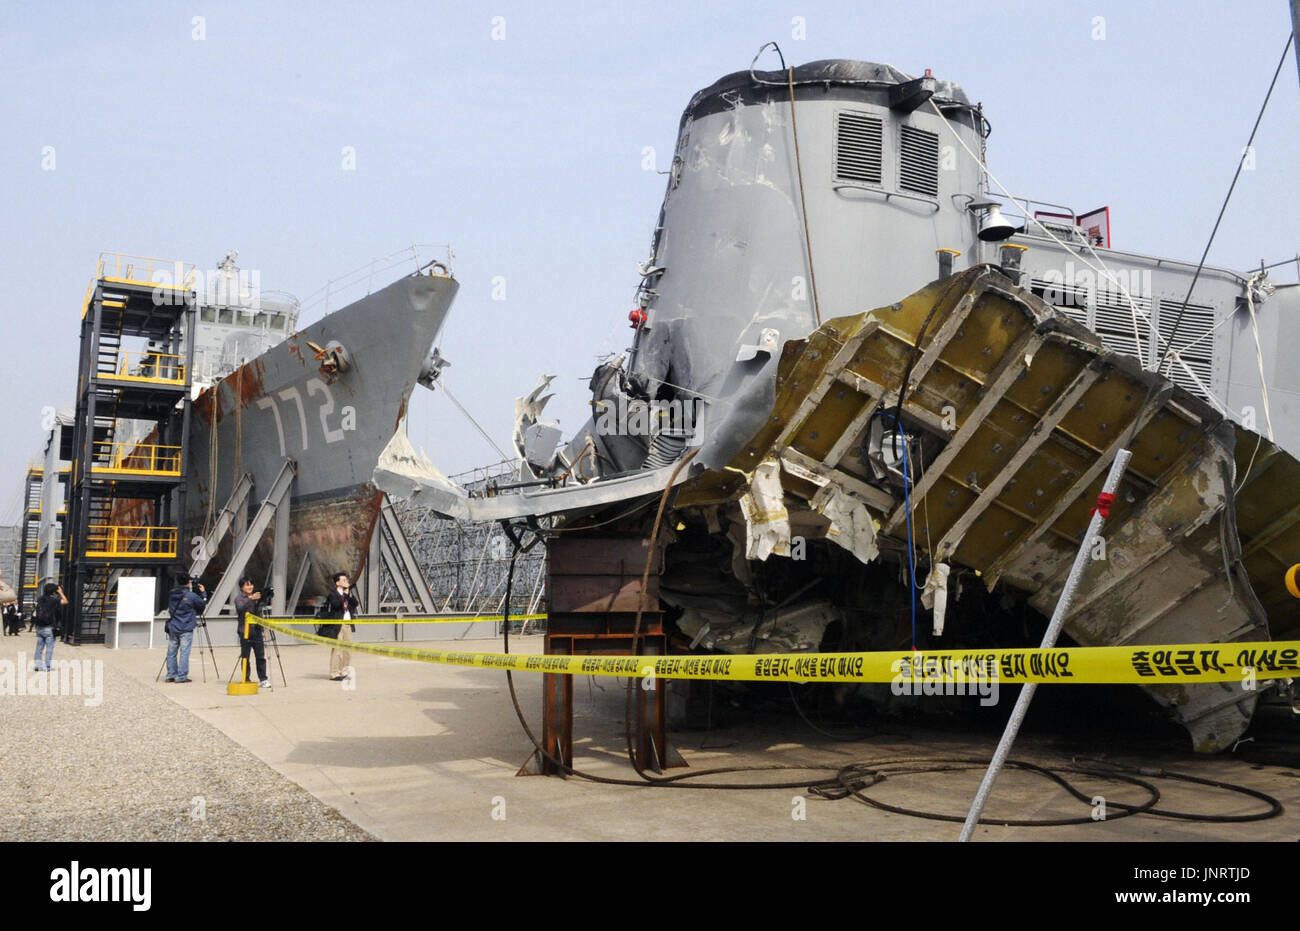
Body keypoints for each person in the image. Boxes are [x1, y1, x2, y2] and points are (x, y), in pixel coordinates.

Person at [165, 573, 206, 683]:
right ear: (188, 582)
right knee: (184, 652)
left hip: (174, 626)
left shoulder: (172, 594)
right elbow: (202, 605)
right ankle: (181, 676)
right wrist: (203, 593)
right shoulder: (191, 596)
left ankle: (171, 674)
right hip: (186, 627)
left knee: (171, 652)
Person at [319, 572, 358, 681]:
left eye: (346, 580)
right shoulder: (333, 594)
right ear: (337, 583)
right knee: (337, 650)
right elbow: (336, 604)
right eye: (344, 580)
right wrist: (344, 595)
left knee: (347, 650)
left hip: (347, 624)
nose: (346, 582)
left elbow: (355, 604)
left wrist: (349, 594)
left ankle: (344, 671)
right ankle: (334, 673)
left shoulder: (347, 594)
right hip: (337, 625)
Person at [234, 577, 270, 687]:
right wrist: (251, 599)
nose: (250, 587)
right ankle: (246, 678)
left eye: (251, 584)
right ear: (242, 587)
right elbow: (240, 608)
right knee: (245, 656)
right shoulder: (239, 598)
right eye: (247, 585)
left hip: (257, 630)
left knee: (260, 656)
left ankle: (263, 679)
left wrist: (263, 628)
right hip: (245, 631)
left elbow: (260, 613)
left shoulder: (257, 597)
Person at [33, 583, 67, 671]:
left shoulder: (40, 599)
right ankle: (47, 666)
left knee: (39, 648)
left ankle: (38, 666)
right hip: (49, 627)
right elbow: (65, 601)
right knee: (49, 648)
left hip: (39, 626)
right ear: (53, 591)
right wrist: (60, 592)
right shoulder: (54, 600)